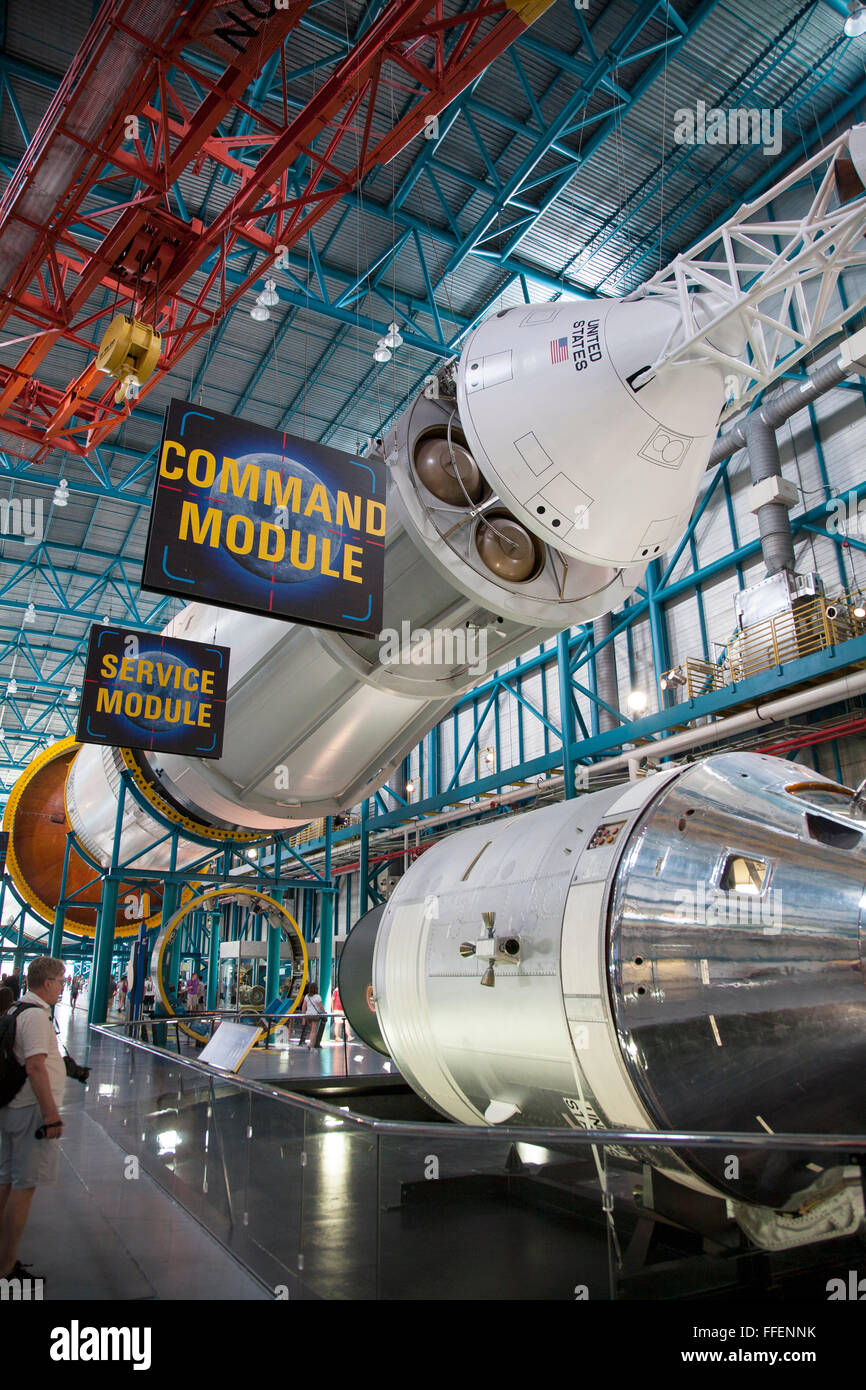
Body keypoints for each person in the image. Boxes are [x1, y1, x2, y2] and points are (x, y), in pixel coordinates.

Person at [0, 956, 67, 1280]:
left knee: (7, 1180)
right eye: (61, 982)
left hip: (13, 1107)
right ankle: (5, 1266)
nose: (62, 987)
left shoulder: (15, 1009)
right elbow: (35, 1066)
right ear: (48, 983)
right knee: (24, 1186)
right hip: (30, 1111)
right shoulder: (37, 1017)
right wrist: (51, 1114)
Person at [303, 980, 326, 1050]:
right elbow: (320, 1006)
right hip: (315, 1015)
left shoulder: (307, 996)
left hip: (308, 1015)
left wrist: (303, 1017)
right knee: (314, 1031)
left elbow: (304, 1006)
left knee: (312, 1031)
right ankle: (312, 1045)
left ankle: (313, 1043)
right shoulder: (317, 997)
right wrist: (324, 1012)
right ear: (316, 989)